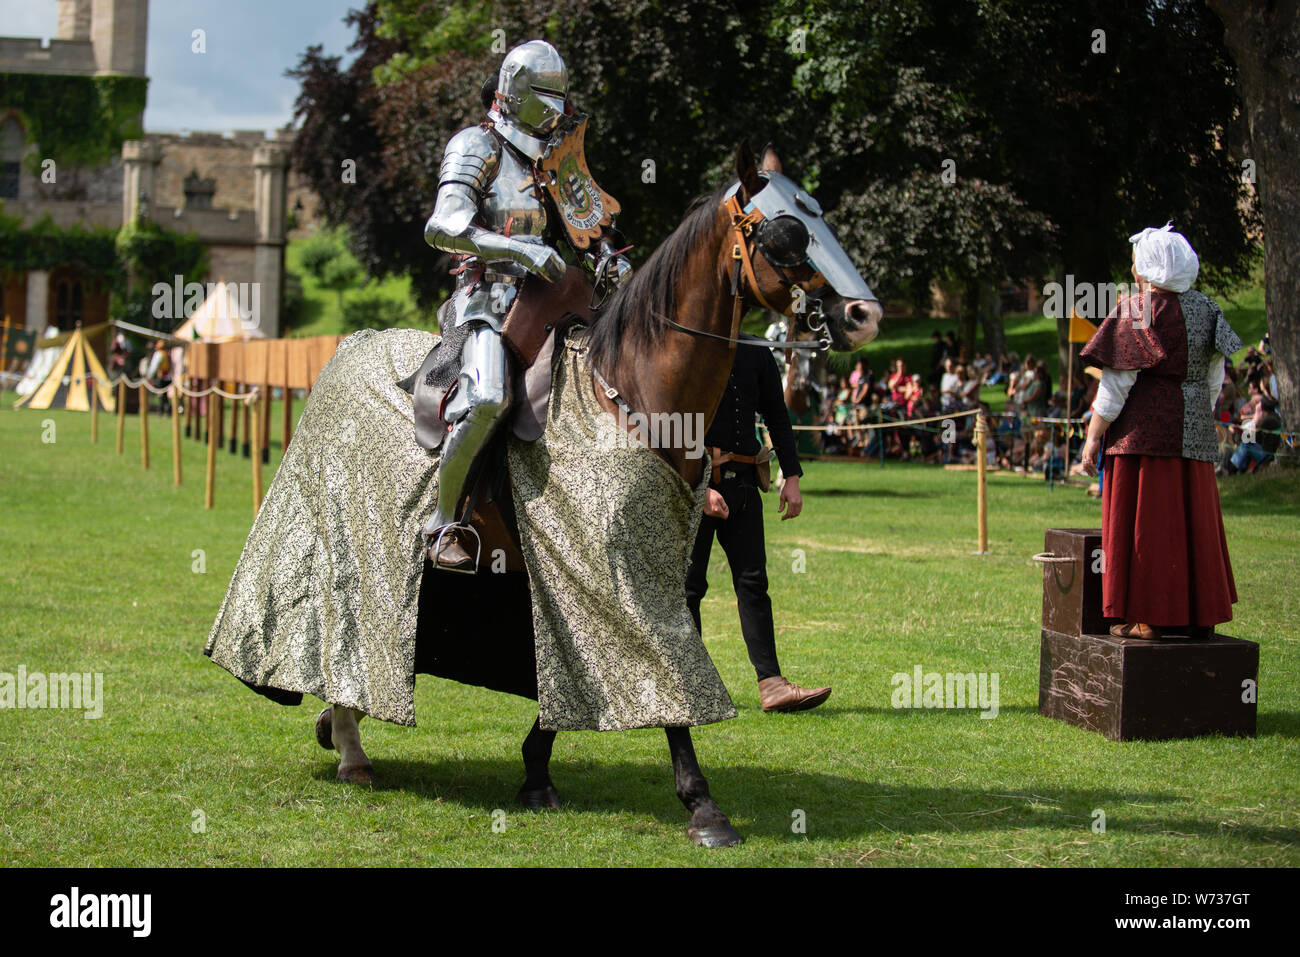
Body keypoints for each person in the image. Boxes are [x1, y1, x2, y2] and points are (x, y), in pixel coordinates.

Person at [419, 40, 632, 570]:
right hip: (488, 297)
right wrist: (519, 248)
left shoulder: (557, 158)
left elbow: (588, 227)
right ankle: (445, 521)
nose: (555, 107)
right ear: (515, 91)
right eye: (543, 94)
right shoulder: (478, 146)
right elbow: (442, 226)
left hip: (554, 299)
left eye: (560, 95)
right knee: (490, 397)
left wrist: (611, 260)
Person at [1080, 224, 1240, 639]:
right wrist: (1195, 417)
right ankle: (1195, 615)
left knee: (1146, 525)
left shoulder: (1136, 308)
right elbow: (1212, 381)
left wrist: (1094, 435)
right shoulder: (1208, 310)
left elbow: (1116, 385)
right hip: (1194, 430)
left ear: (1146, 267)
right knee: (1191, 521)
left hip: (1142, 436)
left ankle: (1145, 617)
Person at [686, 333, 831, 713]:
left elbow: (776, 413)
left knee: (753, 584)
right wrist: (698, 486)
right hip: (695, 488)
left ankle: (772, 685)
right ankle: (692, 687)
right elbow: (669, 416)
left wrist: (793, 476)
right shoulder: (688, 344)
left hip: (746, 484)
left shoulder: (755, 352)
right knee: (689, 589)